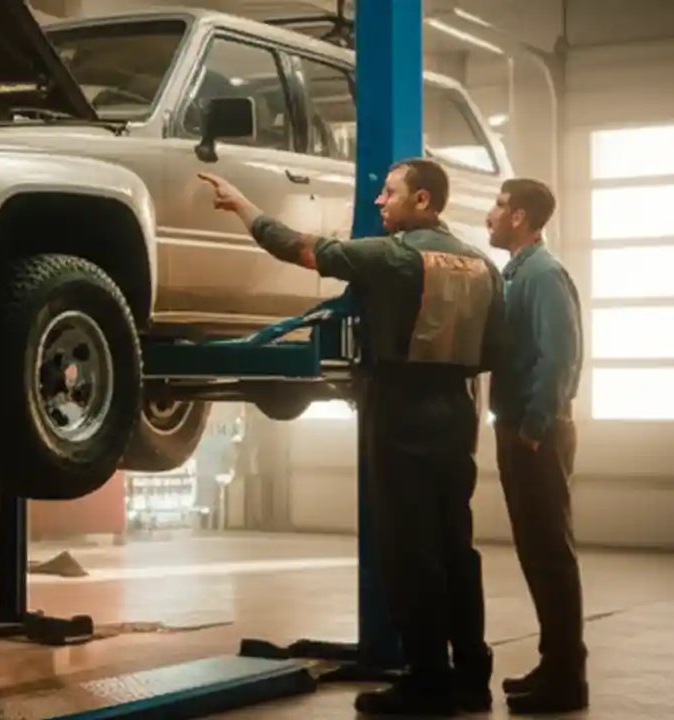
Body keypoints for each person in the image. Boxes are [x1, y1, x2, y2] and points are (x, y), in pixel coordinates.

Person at [200, 158, 506, 716]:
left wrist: (242, 204)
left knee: (411, 550)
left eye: (389, 193)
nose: (378, 202)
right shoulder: (483, 264)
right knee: (455, 548)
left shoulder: (392, 256)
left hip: (401, 408)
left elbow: (300, 248)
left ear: (422, 202)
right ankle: (471, 677)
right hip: (457, 411)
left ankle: (426, 683)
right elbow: (496, 348)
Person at [485, 178, 588, 714]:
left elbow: (560, 357)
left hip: (536, 433)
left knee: (550, 553)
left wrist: (533, 425)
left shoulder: (544, 276)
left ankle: (567, 678)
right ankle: (555, 666)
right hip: (521, 428)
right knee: (537, 552)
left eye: (500, 206)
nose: (491, 214)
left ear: (520, 217)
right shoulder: (518, 272)